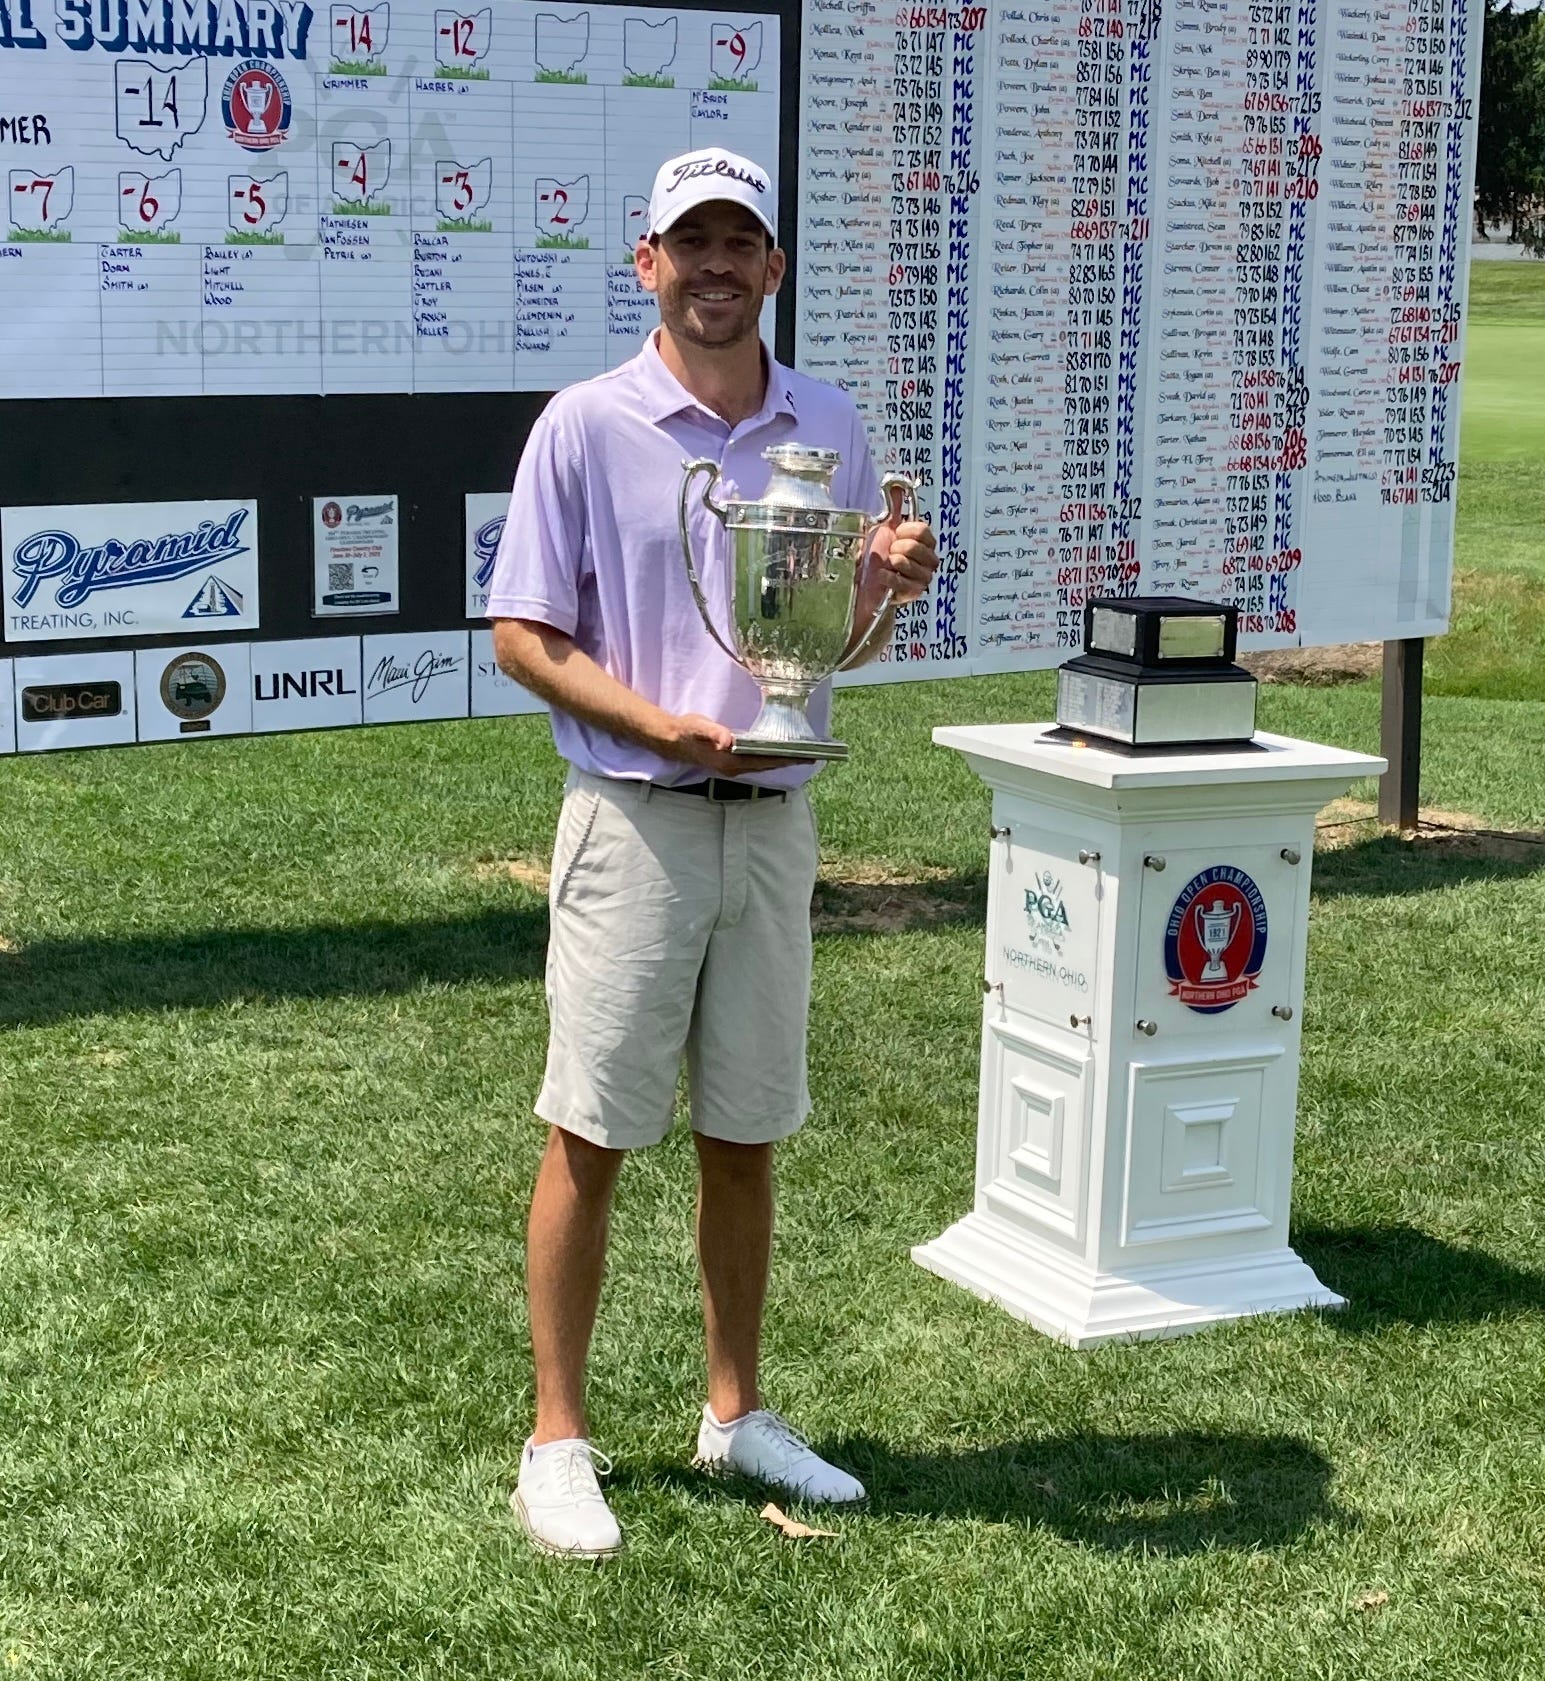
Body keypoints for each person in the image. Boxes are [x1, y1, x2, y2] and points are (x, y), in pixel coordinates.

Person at [487, 145, 938, 1559]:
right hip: (634, 816)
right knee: (593, 1132)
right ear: (649, 265)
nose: (717, 267)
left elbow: (831, 651)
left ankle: (734, 1410)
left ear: (773, 267)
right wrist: (661, 726)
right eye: (692, 244)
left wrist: (889, 585)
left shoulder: (828, 425)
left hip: (774, 821)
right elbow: (520, 633)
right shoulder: (583, 422)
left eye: (741, 242)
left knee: (745, 1134)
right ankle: (556, 1437)